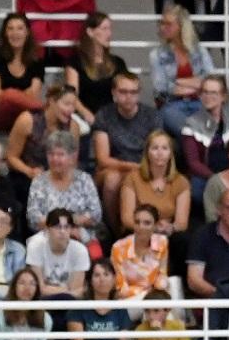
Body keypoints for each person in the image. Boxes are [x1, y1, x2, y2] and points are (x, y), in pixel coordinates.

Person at [65, 258, 137, 340]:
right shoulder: (78, 308)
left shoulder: (120, 309)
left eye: (106, 274)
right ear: (90, 281)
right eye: (97, 275)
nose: (102, 279)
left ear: (114, 279)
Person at [92, 72, 160, 210]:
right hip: (113, 168)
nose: (128, 97)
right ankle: (112, 224)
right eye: (123, 92)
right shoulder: (104, 115)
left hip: (144, 167)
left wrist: (142, 169)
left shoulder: (152, 116)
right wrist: (133, 167)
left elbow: (158, 151)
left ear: (139, 94)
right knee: (112, 179)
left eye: (133, 92)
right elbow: (103, 159)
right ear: (114, 92)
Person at [27, 131, 104, 250]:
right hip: (47, 237)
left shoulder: (84, 179)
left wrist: (70, 225)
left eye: (60, 154)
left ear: (72, 157)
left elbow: (95, 214)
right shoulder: (39, 181)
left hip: (81, 236)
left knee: (93, 251)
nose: (54, 159)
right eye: (51, 154)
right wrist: (64, 229)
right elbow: (33, 218)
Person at [179, 76, 229, 201]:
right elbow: (193, 162)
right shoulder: (191, 122)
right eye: (205, 92)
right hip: (208, 175)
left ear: (223, 96)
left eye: (213, 93)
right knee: (196, 190)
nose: (208, 96)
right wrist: (217, 179)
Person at [149, 6, 212, 136]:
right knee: (187, 131)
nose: (162, 27)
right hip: (172, 104)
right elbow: (160, 87)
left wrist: (179, 82)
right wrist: (196, 84)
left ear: (181, 26)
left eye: (168, 24)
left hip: (201, 102)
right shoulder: (156, 55)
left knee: (212, 119)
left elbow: (211, 79)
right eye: (161, 23)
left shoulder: (200, 51)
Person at [122, 129, 190, 237]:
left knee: (183, 238)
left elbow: (182, 223)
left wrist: (170, 227)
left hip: (167, 233)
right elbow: (127, 219)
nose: (160, 153)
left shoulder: (181, 182)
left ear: (171, 153)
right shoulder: (132, 178)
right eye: (155, 148)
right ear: (147, 153)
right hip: (139, 231)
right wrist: (151, 228)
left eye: (164, 148)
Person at [67, 12, 129, 123]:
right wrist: (87, 115)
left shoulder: (118, 63)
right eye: (104, 29)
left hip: (112, 117)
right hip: (84, 118)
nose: (109, 33)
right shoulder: (75, 62)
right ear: (90, 32)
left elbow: (125, 91)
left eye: (110, 29)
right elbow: (72, 95)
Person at [25, 206, 89, 297]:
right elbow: (38, 289)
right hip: (42, 301)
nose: (62, 231)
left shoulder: (80, 250)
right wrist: (67, 289)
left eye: (66, 227)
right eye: (57, 227)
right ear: (47, 229)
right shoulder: (35, 246)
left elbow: (76, 291)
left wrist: (47, 289)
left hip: (70, 302)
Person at [109, 201, 166, 297]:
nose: (141, 227)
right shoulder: (118, 248)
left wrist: (158, 291)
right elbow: (121, 288)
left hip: (154, 297)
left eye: (147, 223)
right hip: (129, 299)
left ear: (155, 225)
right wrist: (146, 294)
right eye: (137, 222)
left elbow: (162, 275)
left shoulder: (162, 242)